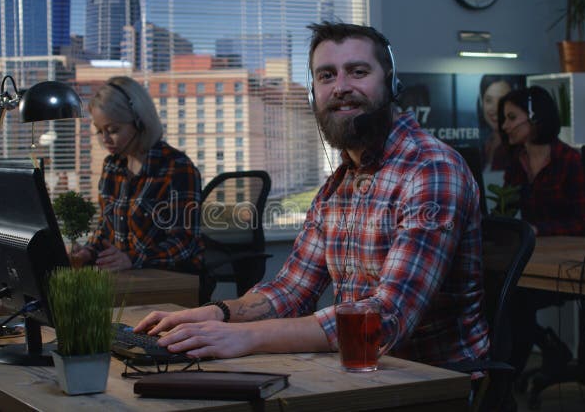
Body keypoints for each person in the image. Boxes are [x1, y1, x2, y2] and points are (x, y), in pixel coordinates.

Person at [134, 22, 489, 370]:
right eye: (326, 76)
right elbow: (293, 289)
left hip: (437, 380)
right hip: (363, 373)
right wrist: (217, 314)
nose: (341, 87)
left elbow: (385, 316)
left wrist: (246, 337)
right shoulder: (338, 186)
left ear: (391, 83)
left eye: (358, 72)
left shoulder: (431, 170)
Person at [497, 86, 585, 377]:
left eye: (512, 117)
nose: (505, 126)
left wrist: (540, 229)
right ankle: (508, 375)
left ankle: (506, 382)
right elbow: (507, 212)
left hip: (567, 265)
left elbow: (584, 223)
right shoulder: (516, 163)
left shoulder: (570, 161)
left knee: (515, 302)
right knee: (499, 296)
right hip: (531, 261)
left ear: (535, 118)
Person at [71, 76, 204, 273]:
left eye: (113, 130)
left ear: (140, 123)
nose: (105, 139)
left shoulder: (177, 168)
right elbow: (105, 229)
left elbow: (184, 242)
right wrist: (88, 252)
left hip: (172, 279)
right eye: (99, 131)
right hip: (128, 277)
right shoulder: (112, 166)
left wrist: (132, 259)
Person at [477, 75, 522, 171]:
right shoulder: (485, 145)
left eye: (502, 101)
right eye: (489, 100)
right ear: (481, 102)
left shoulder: (520, 147)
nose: (496, 108)